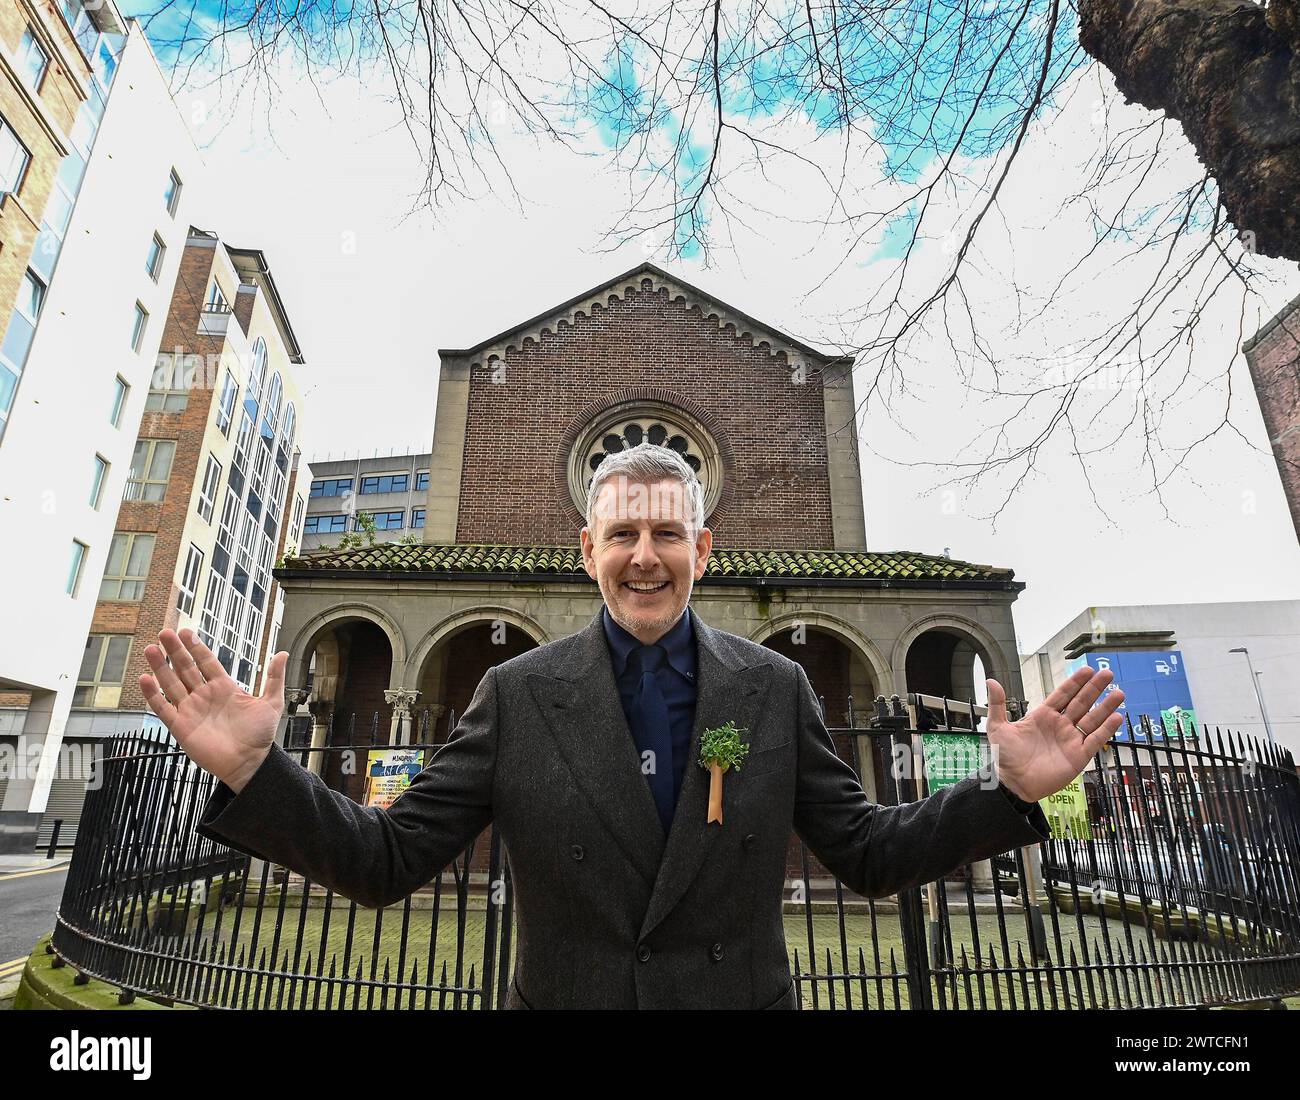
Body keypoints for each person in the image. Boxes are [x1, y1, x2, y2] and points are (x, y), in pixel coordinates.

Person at [140, 443, 1125, 1009]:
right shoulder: (518, 693)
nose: (643, 555)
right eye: (622, 534)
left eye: (665, 534)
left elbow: (866, 851)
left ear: (702, 545)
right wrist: (261, 773)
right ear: (587, 550)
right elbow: (387, 857)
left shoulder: (773, 685)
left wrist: (1006, 793)